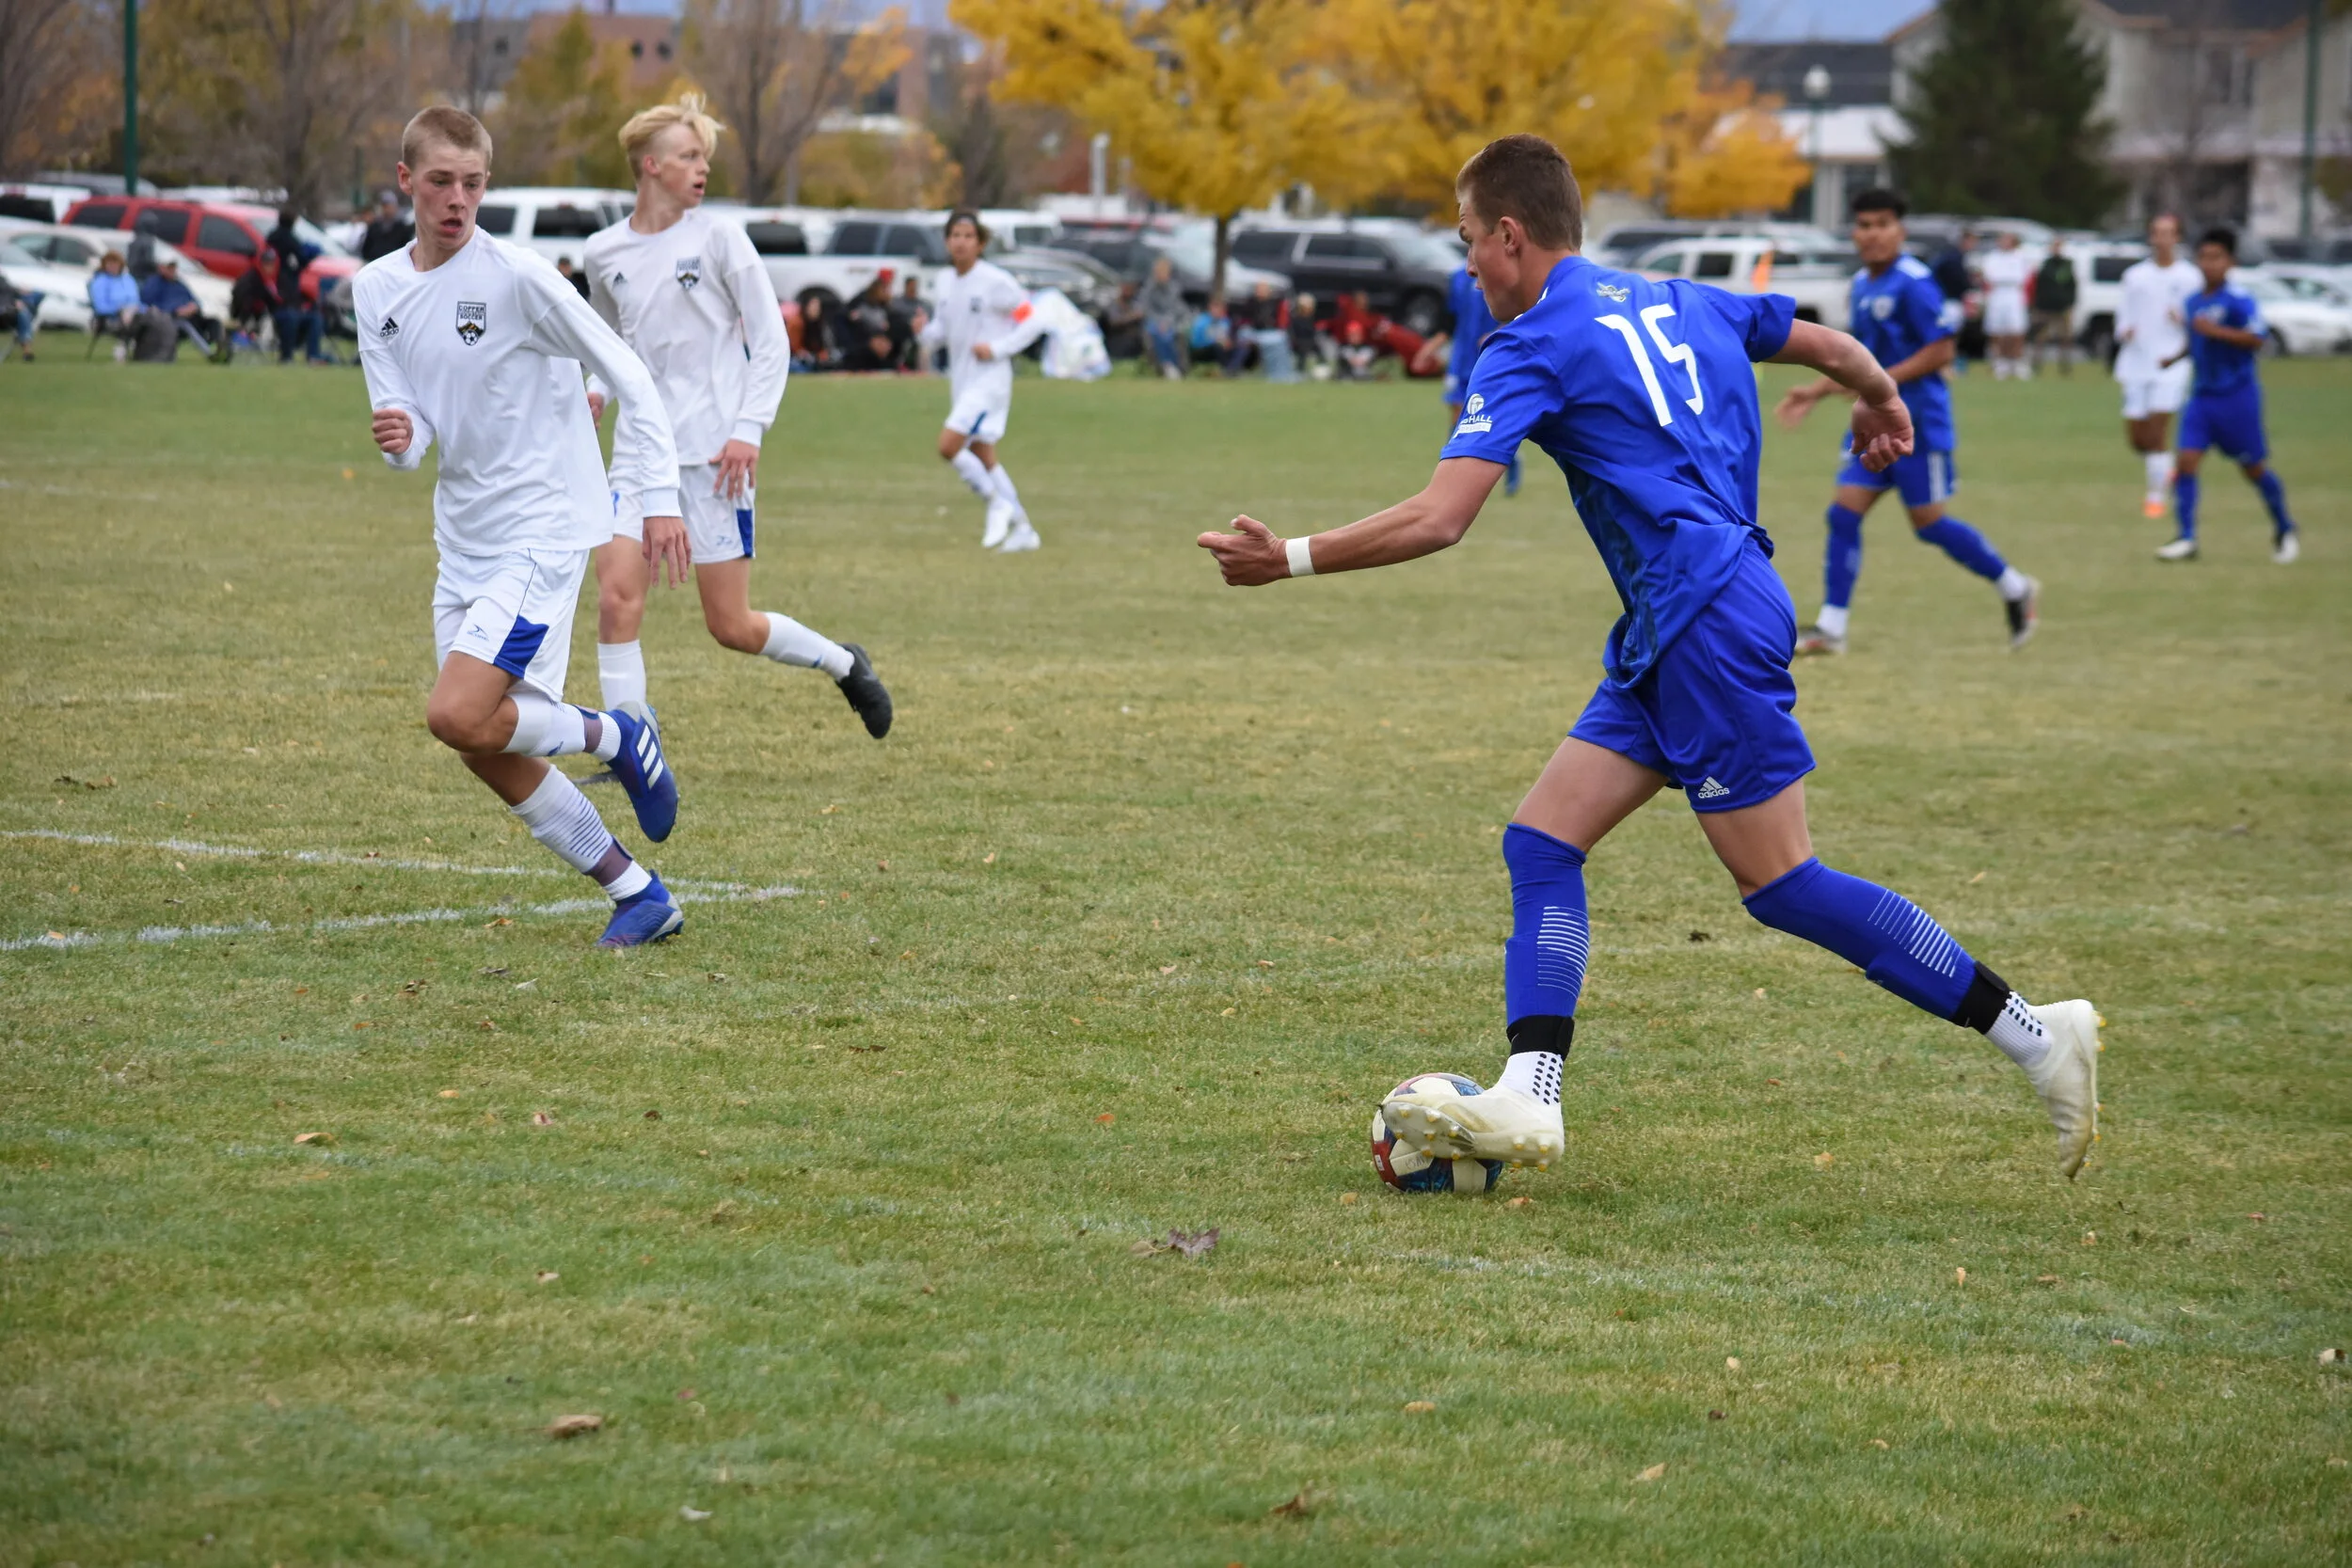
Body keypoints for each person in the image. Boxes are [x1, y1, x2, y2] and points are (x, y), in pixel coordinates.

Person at [1197, 133, 2101, 1183]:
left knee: (1782, 881)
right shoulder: (1683, 298)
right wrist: (1880, 399)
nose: (1467, 263)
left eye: (1469, 239)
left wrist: (1289, 559)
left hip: (1704, 617)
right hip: (1680, 621)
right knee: (1542, 840)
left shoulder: (1530, 344)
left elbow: (1441, 517)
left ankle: (2038, 1034)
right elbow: (1830, 345)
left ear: (1510, 234)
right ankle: (1531, 1091)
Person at [355, 104, 691, 949]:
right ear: (406, 181)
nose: (457, 200)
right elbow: (413, 432)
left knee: (455, 713)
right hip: (463, 537)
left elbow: (629, 374)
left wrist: (659, 498)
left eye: (473, 184)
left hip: (543, 527)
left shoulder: (519, 278)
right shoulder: (376, 290)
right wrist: (402, 437)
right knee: (483, 741)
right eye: (441, 182)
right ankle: (637, 892)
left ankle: (618, 735)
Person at [581, 94, 892, 739]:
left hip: (716, 456)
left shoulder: (720, 237)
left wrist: (749, 430)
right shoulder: (603, 252)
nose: (703, 169)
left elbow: (771, 340)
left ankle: (843, 663)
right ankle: (632, 748)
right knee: (616, 599)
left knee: (731, 625)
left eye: (705, 157)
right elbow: (609, 344)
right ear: (650, 165)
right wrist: (594, 392)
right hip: (639, 453)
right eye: (689, 156)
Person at [1776, 188, 2039, 656]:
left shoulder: (1915, 282)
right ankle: (1832, 628)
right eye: (1864, 225)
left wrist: (1880, 384)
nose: (1872, 234)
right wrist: (1815, 391)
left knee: (1929, 524)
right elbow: (1858, 357)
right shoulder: (1862, 284)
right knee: (1842, 514)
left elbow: (1942, 350)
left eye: (1883, 224)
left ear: (1900, 230)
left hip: (1918, 424)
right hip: (1870, 423)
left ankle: (2014, 586)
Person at [2155, 227, 2298, 564]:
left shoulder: (2239, 300)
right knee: (2186, 461)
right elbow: (2197, 342)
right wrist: (2174, 357)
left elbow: (2257, 339)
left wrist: (2216, 331)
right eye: (2204, 257)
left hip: (2237, 396)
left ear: (2230, 262)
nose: (2209, 264)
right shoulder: (2193, 302)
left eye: (2216, 257)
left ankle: (2284, 527)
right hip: (2202, 397)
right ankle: (2186, 538)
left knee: (2253, 468)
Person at [917, 210, 1045, 552]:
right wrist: (923, 332)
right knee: (982, 453)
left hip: (990, 382)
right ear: (947, 241)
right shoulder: (945, 281)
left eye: (968, 236)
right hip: (962, 381)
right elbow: (942, 329)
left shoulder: (995, 282)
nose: (961, 242)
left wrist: (998, 348)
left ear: (981, 243)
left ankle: (996, 502)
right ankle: (1024, 529)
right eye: (955, 235)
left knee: (948, 446)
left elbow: (1033, 321)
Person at [2114, 214, 2201, 520]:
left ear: (2177, 238)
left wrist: (2184, 321)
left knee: (2157, 430)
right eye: (2156, 233)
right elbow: (2123, 314)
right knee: (2138, 439)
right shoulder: (2135, 276)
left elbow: (2200, 319)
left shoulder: (2190, 277)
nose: (2161, 239)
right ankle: (2166, 470)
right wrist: (2124, 331)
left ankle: (2155, 497)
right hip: (2136, 361)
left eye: (2168, 233)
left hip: (2172, 363)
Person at [1442, 261, 1518, 496]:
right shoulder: (1457, 278)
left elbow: (1522, 313)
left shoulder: (1502, 273)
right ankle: (1453, 478)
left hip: (1488, 358)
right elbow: (1450, 320)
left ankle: (1512, 462)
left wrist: (1499, 331)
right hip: (1460, 359)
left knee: (1488, 418)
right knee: (1457, 417)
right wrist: (1430, 349)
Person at [1978, 230, 2032, 380]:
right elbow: (1990, 276)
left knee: (2016, 328)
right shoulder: (1992, 257)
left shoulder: (2021, 257)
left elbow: (2022, 276)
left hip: (2013, 294)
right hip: (1997, 294)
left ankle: (2016, 360)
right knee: (1996, 329)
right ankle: (2000, 361)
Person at [139, 257, 219, 357]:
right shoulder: (154, 284)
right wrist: (177, 311)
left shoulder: (179, 284)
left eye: (173, 267)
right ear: (161, 268)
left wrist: (194, 307)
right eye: (169, 268)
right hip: (170, 319)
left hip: (192, 316)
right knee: (185, 325)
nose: (172, 270)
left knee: (214, 322)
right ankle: (209, 353)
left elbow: (194, 300)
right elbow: (149, 304)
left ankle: (221, 349)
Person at [2028, 236, 2076, 376]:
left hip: (2062, 308)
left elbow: (2072, 286)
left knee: (2065, 338)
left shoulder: (2067, 265)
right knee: (2040, 337)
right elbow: (2038, 286)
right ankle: (2036, 365)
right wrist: (2036, 305)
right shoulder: (2045, 265)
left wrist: (2070, 303)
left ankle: (2065, 366)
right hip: (2045, 307)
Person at [87, 250, 141, 359]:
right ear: (104, 265)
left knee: (149, 318)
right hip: (109, 319)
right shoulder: (100, 282)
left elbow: (136, 300)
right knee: (130, 317)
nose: (113, 266)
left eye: (115, 263)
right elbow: (100, 307)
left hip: (133, 313)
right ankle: (126, 346)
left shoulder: (128, 280)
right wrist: (118, 309)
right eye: (110, 263)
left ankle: (148, 352)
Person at [1139, 256, 1187, 379]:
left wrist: (1166, 322)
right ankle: (1167, 365)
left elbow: (1175, 308)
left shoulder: (1174, 288)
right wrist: (1159, 322)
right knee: (1155, 333)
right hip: (1154, 321)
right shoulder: (1149, 288)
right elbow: (1147, 308)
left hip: (1172, 321)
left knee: (1168, 336)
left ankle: (1173, 365)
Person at [844, 274, 898, 371]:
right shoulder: (861, 304)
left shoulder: (886, 307)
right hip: (864, 338)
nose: (887, 293)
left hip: (882, 337)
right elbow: (855, 322)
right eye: (884, 290)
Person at [360, 190, 414, 263]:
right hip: (376, 263)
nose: (386, 209)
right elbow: (366, 249)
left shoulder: (402, 228)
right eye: (384, 206)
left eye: (388, 206)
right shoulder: (374, 226)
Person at [887, 275, 929, 370]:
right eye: (911, 286)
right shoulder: (896, 303)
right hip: (901, 336)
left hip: (920, 335)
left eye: (915, 286)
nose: (913, 289)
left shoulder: (924, 304)